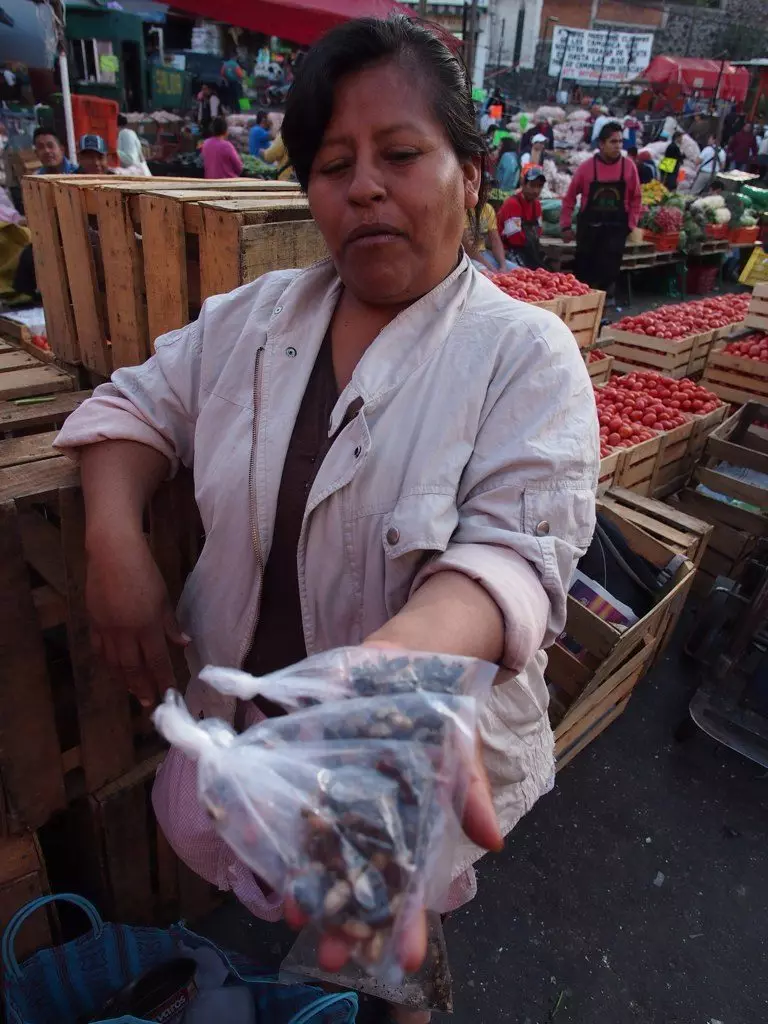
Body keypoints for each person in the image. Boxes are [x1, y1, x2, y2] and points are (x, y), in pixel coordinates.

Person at [53, 17, 597, 1023]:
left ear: (471, 174)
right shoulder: (257, 319)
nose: (364, 187)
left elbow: (510, 559)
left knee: (378, 943)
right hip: (251, 737)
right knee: (289, 917)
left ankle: (404, 989)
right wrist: (113, 537)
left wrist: (380, 676)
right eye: (332, 164)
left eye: (400, 154)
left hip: (402, 753)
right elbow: (135, 407)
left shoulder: (524, 355)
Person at [561, 120, 641, 295]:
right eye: (613, 142)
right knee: (584, 273)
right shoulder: (586, 168)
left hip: (616, 230)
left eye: (620, 142)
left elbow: (636, 198)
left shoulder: (629, 167)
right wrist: (566, 225)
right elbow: (569, 199)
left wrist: (631, 225)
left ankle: (604, 307)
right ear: (601, 144)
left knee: (609, 272)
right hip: (589, 230)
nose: (618, 146)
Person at [496, 167, 546, 268]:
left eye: (539, 186)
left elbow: (539, 231)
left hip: (528, 250)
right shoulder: (512, 204)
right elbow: (514, 238)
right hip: (509, 250)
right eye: (532, 185)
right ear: (523, 184)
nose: (536, 190)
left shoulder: (536, 205)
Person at [463, 199, 512, 272]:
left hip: (484, 253)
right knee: (487, 275)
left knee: (517, 269)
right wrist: (491, 268)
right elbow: (468, 248)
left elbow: (495, 241)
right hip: (466, 256)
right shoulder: (462, 210)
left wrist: (503, 266)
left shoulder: (488, 208)